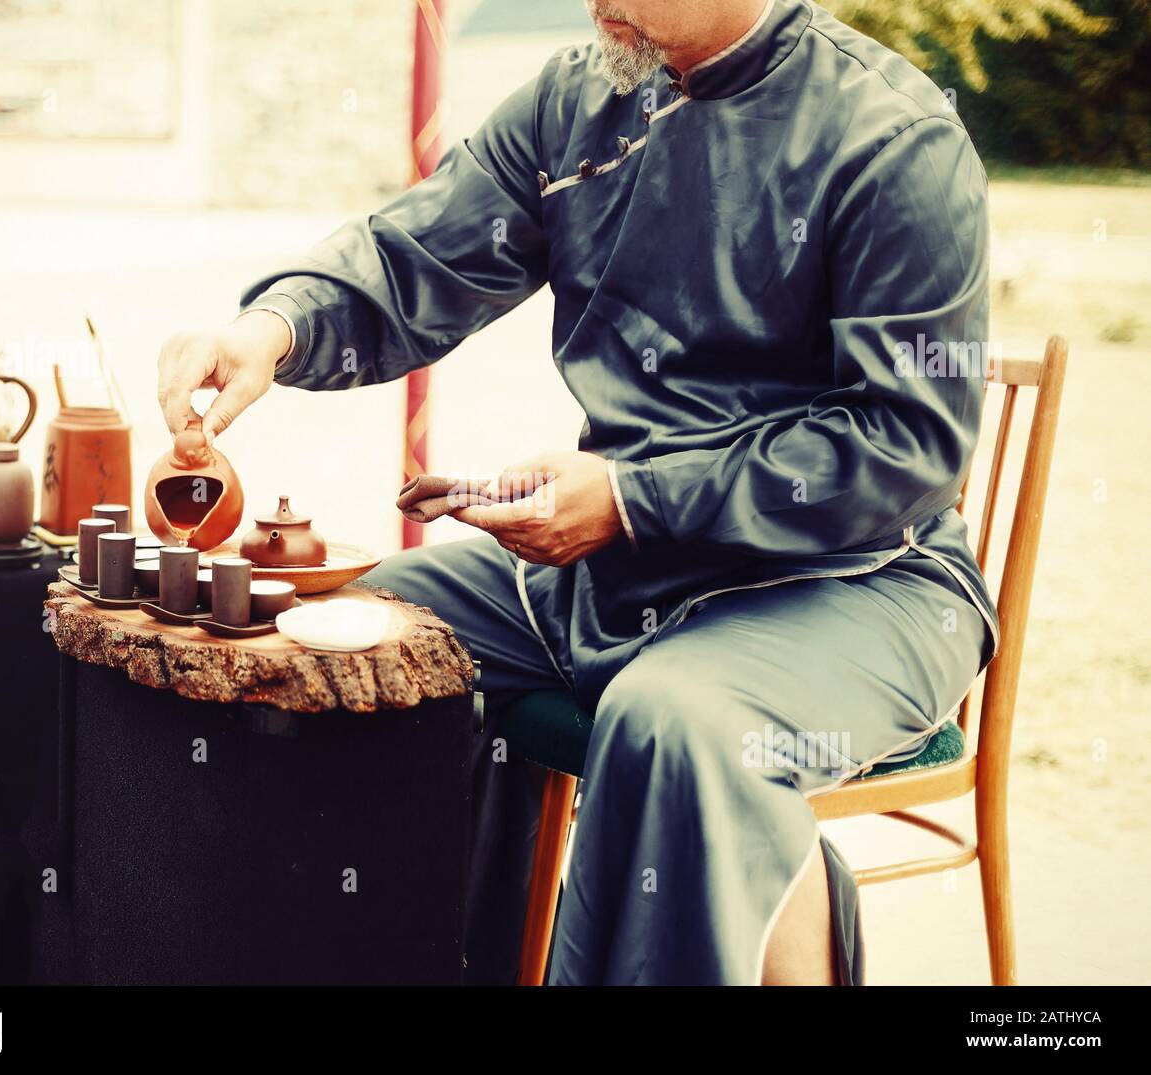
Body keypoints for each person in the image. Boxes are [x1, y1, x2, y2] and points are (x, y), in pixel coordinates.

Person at [156, 0, 998, 985]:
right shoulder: (579, 98)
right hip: (616, 574)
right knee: (361, 641)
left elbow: (907, 443)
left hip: (855, 587)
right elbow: (409, 254)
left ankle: (759, 885)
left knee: (673, 723)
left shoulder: (895, 139)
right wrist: (275, 327)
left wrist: (637, 498)